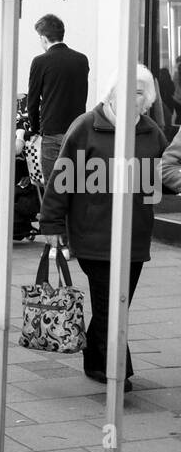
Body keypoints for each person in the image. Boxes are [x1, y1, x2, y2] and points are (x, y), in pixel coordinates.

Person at [38, 64, 166, 393]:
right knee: (112, 304)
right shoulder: (85, 128)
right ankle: (116, 371)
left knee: (117, 303)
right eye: (124, 90)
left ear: (147, 101)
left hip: (135, 238)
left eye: (138, 93)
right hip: (94, 236)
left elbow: (163, 179)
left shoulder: (152, 133)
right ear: (111, 94)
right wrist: (51, 223)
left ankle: (94, 359)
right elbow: (61, 180)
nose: (130, 98)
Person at [27, 14, 90, 194]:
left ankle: (55, 223)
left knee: (53, 191)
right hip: (77, 133)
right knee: (73, 189)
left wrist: (35, 129)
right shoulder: (81, 59)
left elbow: (32, 101)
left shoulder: (40, 61)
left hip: (52, 133)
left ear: (44, 38)